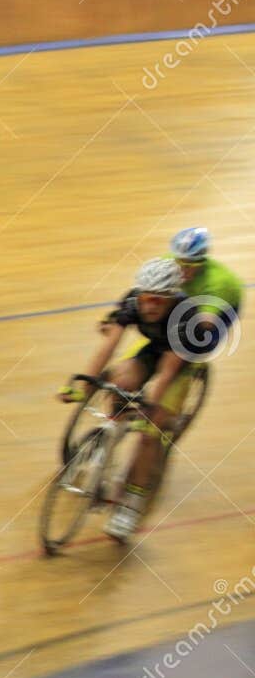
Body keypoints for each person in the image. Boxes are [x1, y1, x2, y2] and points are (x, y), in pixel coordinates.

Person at [57, 257, 208, 541]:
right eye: (146, 298)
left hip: (180, 362)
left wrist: (151, 405)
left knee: (149, 433)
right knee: (118, 380)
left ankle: (131, 504)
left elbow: (166, 373)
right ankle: (112, 436)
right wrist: (84, 382)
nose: (150, 306)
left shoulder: (185, 316)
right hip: (153, 348)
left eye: (158, 301)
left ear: (172, 298)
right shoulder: (132, 300)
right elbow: (109, 345)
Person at [169, 226, 242, 316]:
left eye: (187, 266)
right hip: (195, 292)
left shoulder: (217, 282)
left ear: (200, 263)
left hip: (226, 305)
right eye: (178, 261)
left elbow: (206, 321)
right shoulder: (168, 260)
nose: (181, 269)